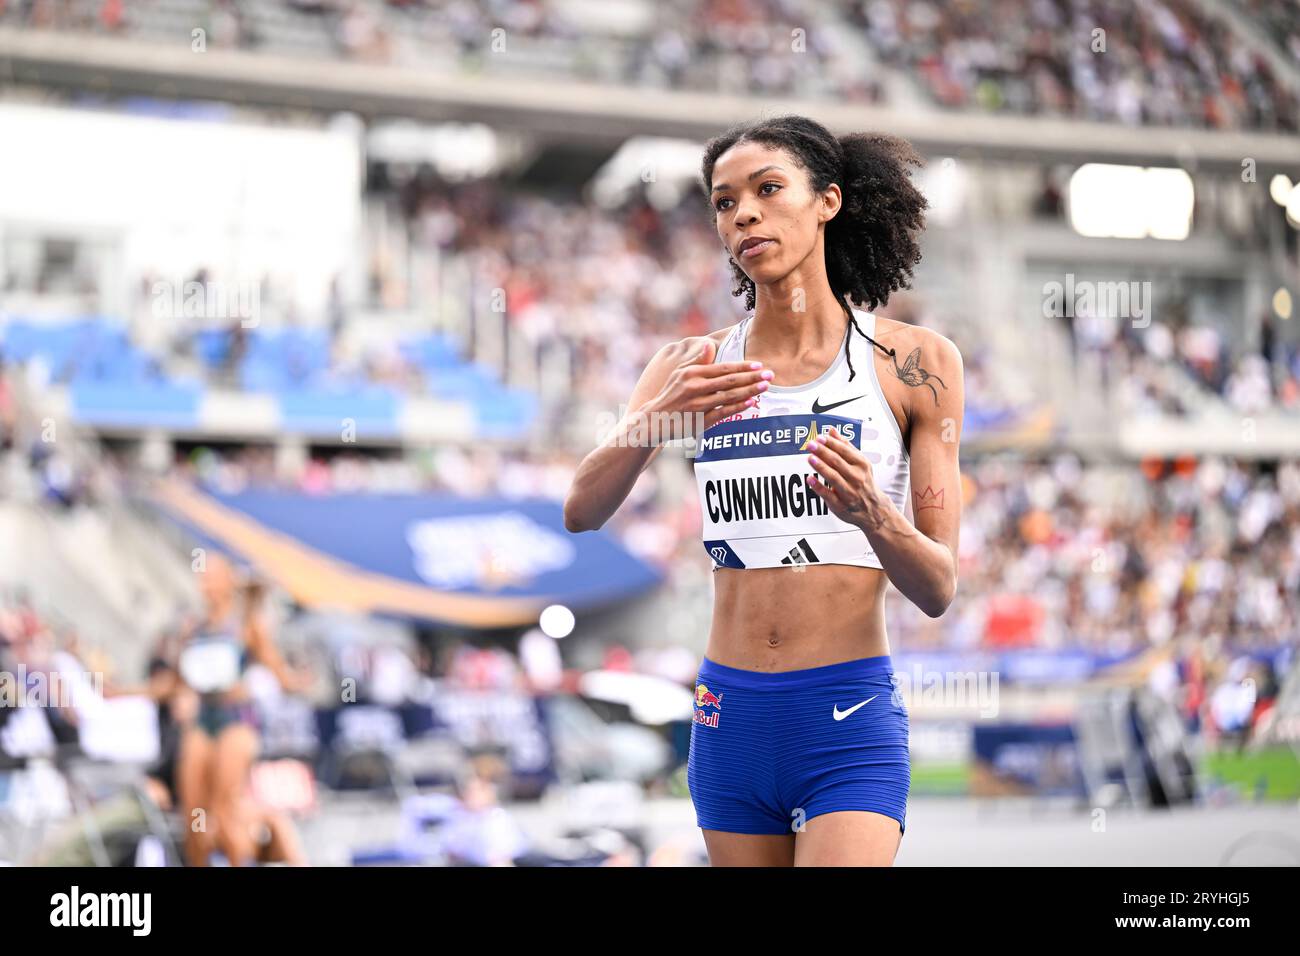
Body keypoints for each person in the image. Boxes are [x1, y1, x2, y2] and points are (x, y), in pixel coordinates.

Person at [565, 115, 964, 866]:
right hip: (729, 718)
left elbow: (939, 585)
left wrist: (874, 513)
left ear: (828, 202)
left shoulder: (914, 363)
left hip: (846, 713)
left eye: (767, 189)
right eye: (722, 202)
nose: (743, 213)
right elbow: (581, 511)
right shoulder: (690, 364)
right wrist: (656, 420)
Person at [159, 557, 309, 865]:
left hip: (235, 720)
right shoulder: (196, 630)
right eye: (203, 579)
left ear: (227, 582)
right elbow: (174, 682)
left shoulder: (245, 626)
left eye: (212, 578)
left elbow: (279, 673)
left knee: (227, 815)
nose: (205, 586)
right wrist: (120, 692)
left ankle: (248, 852)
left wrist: (296, 680)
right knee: (196, 819)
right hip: (204, 721)